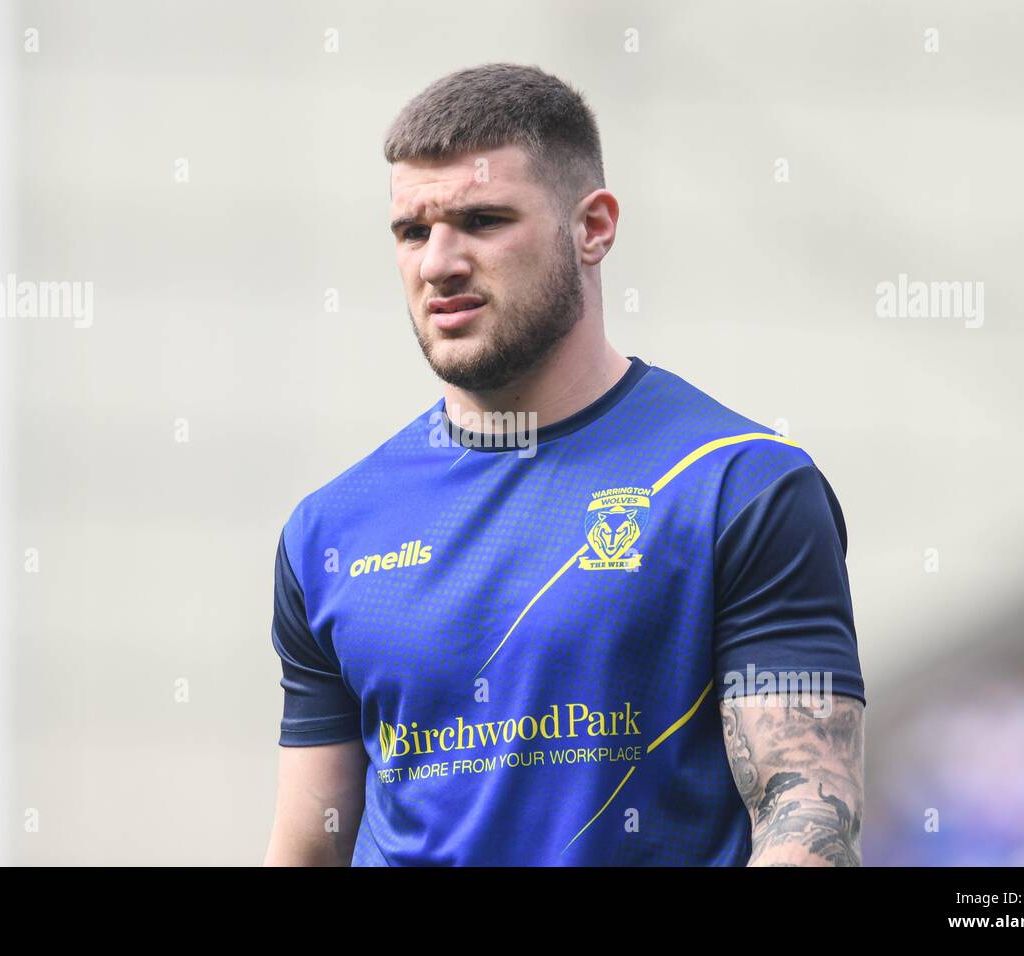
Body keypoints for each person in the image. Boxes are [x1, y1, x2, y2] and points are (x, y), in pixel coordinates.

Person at [264, 63, 865, 866]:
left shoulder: (739, 486)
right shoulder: (329, 529)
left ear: (593, 228)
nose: (438, 263)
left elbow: (808, 813)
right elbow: (309, 846)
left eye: (482, 221)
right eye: (413, 231)